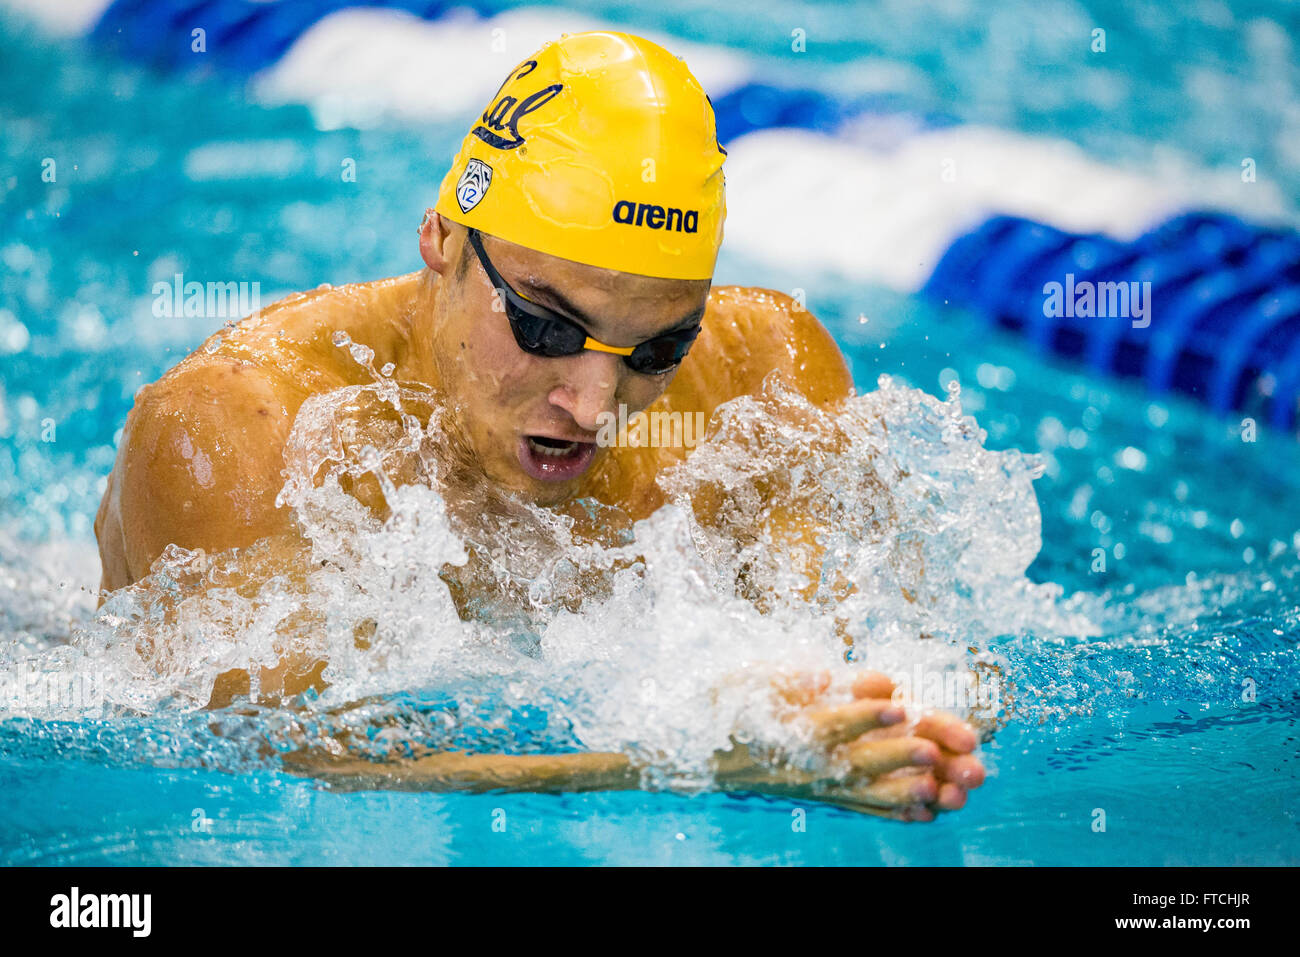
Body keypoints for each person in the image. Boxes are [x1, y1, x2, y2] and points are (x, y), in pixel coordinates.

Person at [93, 31, 984, 821]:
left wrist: (910, 720)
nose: (595, 407)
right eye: (546, 328)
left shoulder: (764, 377)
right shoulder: (239, 430)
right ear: (442, 241)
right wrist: (691, 764)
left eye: (657, 346)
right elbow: (276, 763)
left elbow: (850, 653)